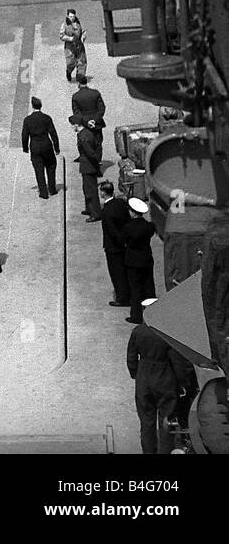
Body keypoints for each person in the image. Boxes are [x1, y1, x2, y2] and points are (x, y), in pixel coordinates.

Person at [127, 298, 198, 454]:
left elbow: (131, 358)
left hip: (144, 379)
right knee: (168, 420)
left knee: (146, 421)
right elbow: (178, 362)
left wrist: (136, 374)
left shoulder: (138, 331)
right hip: (165, 379)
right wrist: (183, 383)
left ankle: (148, 451)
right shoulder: (166, 333)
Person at [121, 197, 158, 324]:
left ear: (132, 212)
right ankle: (153, 314)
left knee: (135, 289)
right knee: (149, 287)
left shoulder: (128, 228)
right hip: (146, 259)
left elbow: (123, 241)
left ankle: (136, 315)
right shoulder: (149, 227)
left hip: (132, 261)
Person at [20, 96, 60, 199]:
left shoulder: (27, 120)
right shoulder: (47, 118)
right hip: (47, 145)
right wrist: (56, 148)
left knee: (39, 170)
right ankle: (52, 189)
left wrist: (25, 148)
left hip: (35, 146)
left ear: (32, 106)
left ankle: (43, 192)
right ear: (41, 106)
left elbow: (24, 136)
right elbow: (53, 133)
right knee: (51, 166)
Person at [99, 180, 131, 308]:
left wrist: (119, 242)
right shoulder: (120, 203)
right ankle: (127, 294)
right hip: (124, 244)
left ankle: (122, 298)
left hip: (113, 247)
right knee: (124, 271)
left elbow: (112, 231)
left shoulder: (106, 211)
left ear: (103, 193)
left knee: (117, 273)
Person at [76, 118, 104, 220]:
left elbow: (90, 153)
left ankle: (95, 213)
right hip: (88, 166)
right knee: (86, 188)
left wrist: (96, 165)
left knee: (90, 190)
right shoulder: (85, 133)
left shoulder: (83, 136)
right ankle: (89, 208)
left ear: (76, 125)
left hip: (88, 166)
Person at [59, 8, 87, 81]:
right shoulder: (64, 25)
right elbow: (61, 36)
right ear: (68, 16)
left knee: (82, 62)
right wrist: (70, 38)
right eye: (70, 16)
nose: (72, 18)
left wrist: (83, 37)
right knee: (71, 62)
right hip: (70, 46)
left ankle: (80, 78)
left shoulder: (78, 23)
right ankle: (68, 72)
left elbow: (83, 31)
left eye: (73, 16)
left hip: (79, 45)